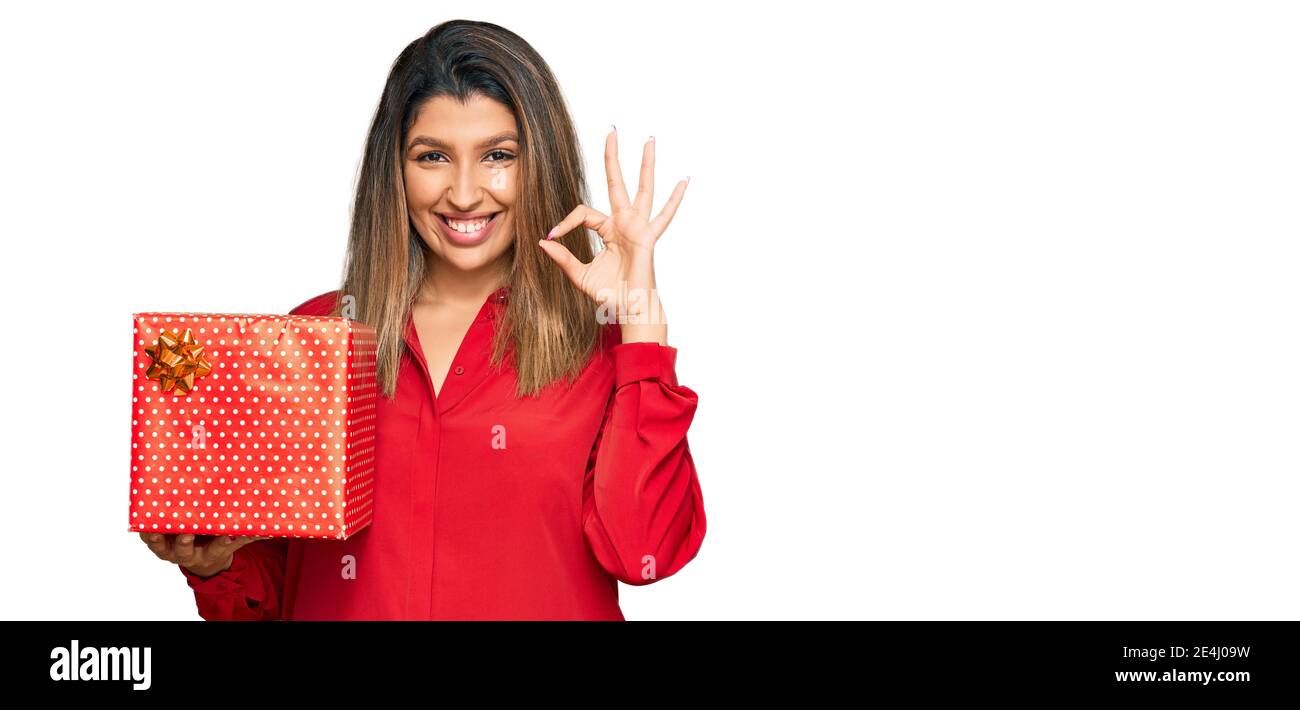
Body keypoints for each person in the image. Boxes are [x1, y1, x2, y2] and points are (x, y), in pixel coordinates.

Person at [137, 19, 705, 620]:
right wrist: (215, 564)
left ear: (540, 162)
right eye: (432, 156)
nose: (463, 193)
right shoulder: (312, 340)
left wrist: (640, 320)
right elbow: (285, 590)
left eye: (497, 156)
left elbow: (646, 551)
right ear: (396, 170)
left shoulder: (603, 350)